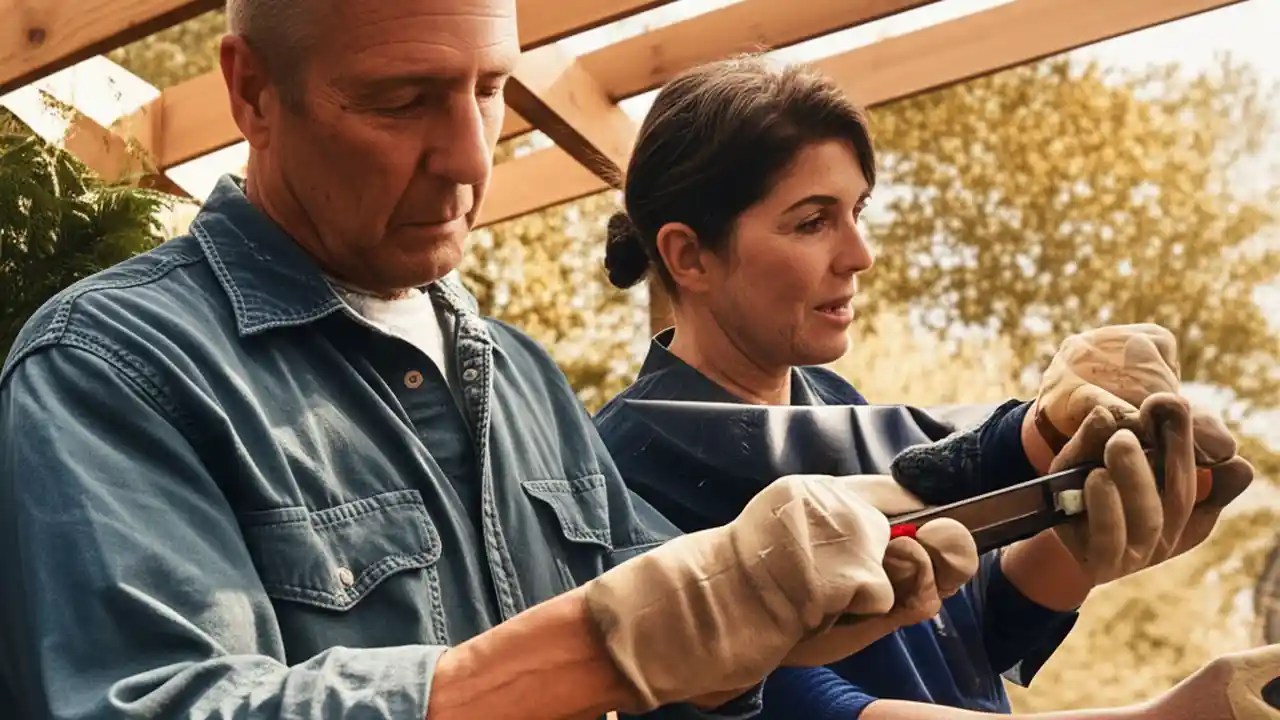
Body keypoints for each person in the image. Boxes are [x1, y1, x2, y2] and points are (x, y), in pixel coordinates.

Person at [0, 3, 987, 719]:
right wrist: (604, 645)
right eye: (400, 102)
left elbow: (676, 638)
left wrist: (795, 615)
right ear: (252, 91)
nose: (471, 156)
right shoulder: (113, 371)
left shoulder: (515, 374)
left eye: (487, 90)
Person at [594, 56, 1262, 720]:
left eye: (857, 210)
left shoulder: (834, 403)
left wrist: (1077, 536)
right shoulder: (627, 470)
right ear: (688, 255)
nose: (860, 254)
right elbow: (803, 707)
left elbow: (968, 634)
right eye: (812, 221)